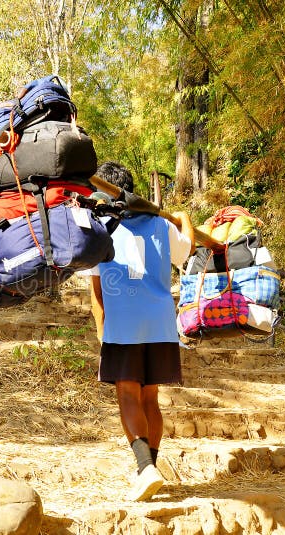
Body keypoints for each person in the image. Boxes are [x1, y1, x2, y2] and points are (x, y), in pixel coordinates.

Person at [87, 162, 195, 502]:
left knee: (129, 396)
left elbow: (96, 295)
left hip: (124, 324)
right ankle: (148, 470)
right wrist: (185, 217)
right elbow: (188, 249)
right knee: (150, 399)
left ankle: (145, 469)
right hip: (161, 323)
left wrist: (103, 334)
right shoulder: (163, 223)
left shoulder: (99, 228)